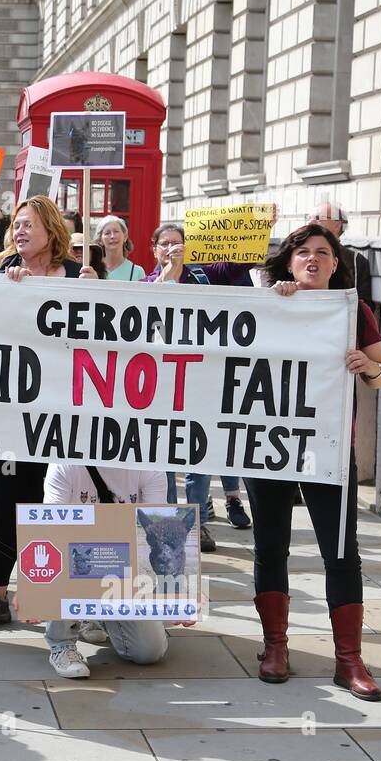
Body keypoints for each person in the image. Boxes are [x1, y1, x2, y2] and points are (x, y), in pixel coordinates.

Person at [249, 223, 381, 701]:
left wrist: (367, 367)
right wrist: (274, 302)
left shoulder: (355, 313)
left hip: (327, 449)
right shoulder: (267, 306)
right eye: (303, 252)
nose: (312, 259)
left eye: (322, 253)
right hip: (268, 446)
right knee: (271, 546)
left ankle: (348, 659)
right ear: (288, 262)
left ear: (336, 264)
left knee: (341, 551)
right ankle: (275, 647)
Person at [0, 196, 91, 634]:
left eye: (27, 225)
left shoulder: (80, 275)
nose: (18, 233)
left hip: (69, 413)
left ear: (51, 230)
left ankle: (52, 595)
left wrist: (98, 290)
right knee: (8, 502)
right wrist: (4, 292)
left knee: (59, 503)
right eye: (15, 225)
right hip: (12, 414)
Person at [141, 223, 252, 541]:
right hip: (160, 385)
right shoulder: (147, 282)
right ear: (155, 249)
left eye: (177, 244)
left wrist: (258, 226)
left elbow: (240, 264)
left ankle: (196, 520)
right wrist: (169, 273)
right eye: (165, 244)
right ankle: (175, 522)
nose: (171, 249)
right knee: (162, 460)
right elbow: (149, 310)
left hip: (198, 383)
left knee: (197, 457)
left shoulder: (203, 276)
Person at [39, 464, 198, 677]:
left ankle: (98, 615)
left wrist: (175, 592)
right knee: (65, 556)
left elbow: (159, 540)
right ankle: (61, 643)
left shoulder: (150, 467)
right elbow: (49, 531)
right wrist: (35, 590)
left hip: (123, 565)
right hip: (77, 554)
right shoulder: (65, 465)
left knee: (149, 652)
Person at [308, 201, 373, 310]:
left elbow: (365, 306)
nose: (310, 222)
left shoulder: (355, 261)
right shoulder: (295, 255)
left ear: (337, 225)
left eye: (318, 218)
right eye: (309, 217)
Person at [97, 216, 146, 281]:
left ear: (125, 237)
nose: (112, 236)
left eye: (116, 231)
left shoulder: (137, 272)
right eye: (107, 233)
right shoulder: (94, 268)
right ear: (100, 240)